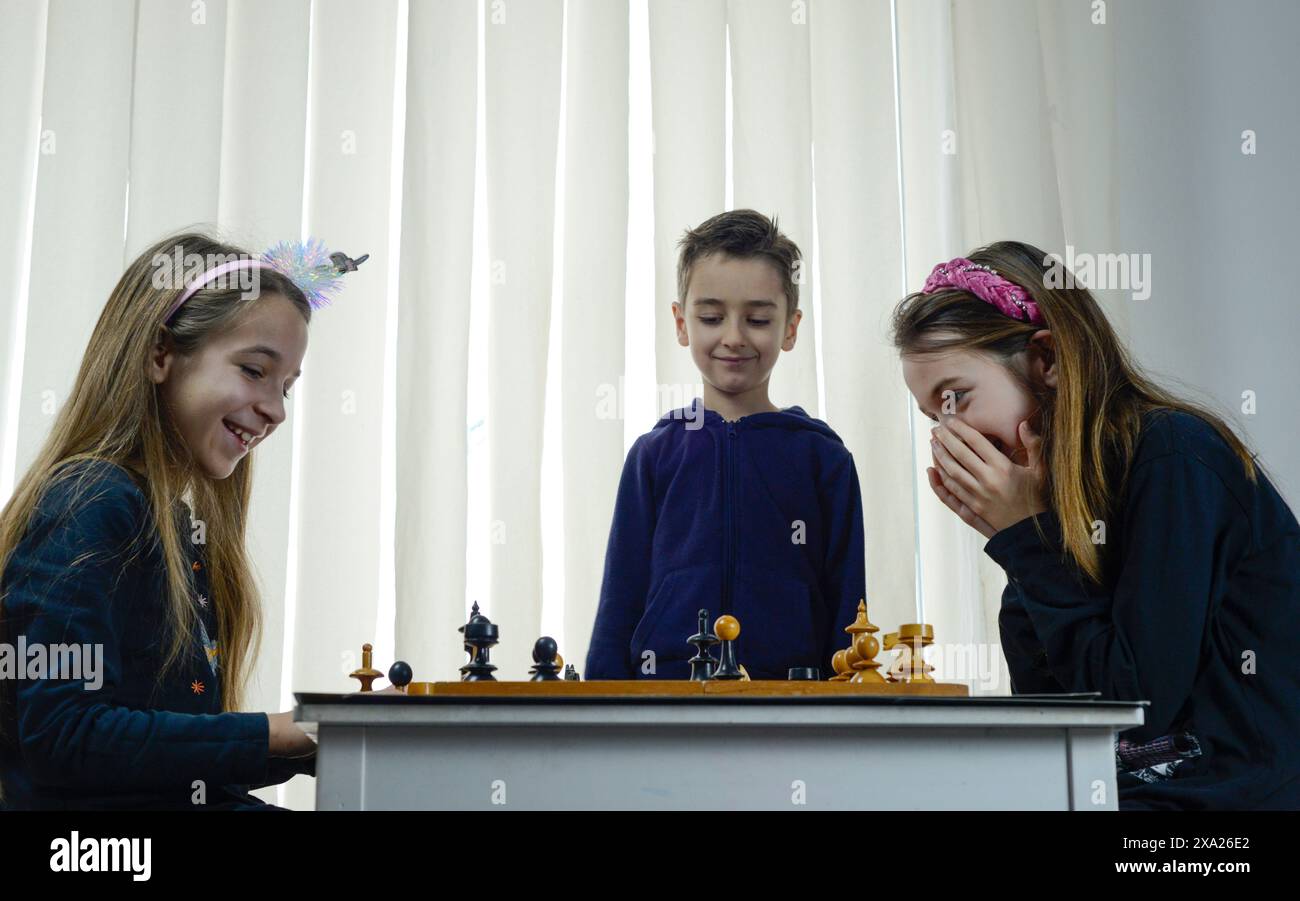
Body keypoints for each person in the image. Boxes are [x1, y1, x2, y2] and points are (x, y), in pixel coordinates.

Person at [893, 241, 1300, 809]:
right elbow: (1055, 722)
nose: (947, 435)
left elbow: (1132, 706)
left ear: (1047, 361)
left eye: (955, 398)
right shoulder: (1049, 510)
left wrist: (1027, 539)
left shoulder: (1175, 456)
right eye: (933, 416)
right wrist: (1025, 541)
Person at [0, 232, 364, 809]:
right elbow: (61, 737)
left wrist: (303, 746)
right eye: (254, 370)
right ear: (160, 355)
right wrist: (278, 731)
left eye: (287, 386)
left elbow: (164, 760)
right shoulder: (91, 501)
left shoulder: (168, 525)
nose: (276, 410)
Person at [586, 210, 867, 681]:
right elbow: (620, 600)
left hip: (793, 704)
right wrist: (597, 719)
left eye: (757, 319)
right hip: (663, 700)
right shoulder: (652, 456)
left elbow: (850, 608)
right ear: (681, 323)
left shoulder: (825, 460)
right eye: (712, 317)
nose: (734, 337)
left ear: (791, 328)